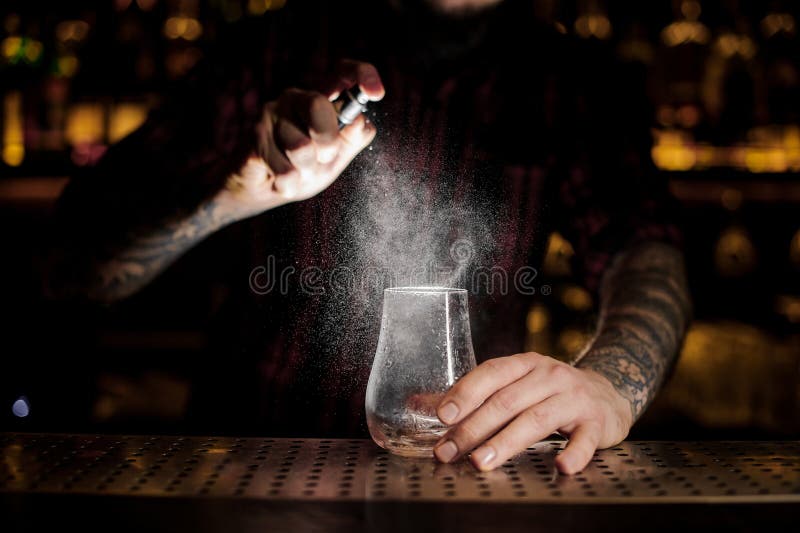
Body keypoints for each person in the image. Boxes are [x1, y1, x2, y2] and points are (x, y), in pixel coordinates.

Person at [46, 0, 691, 474]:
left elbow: (645, 253)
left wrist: (609, 383)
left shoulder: (567, 86)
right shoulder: (268, 54)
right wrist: (227, 194)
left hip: (462, 475)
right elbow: (70, 266)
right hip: (248, 471)